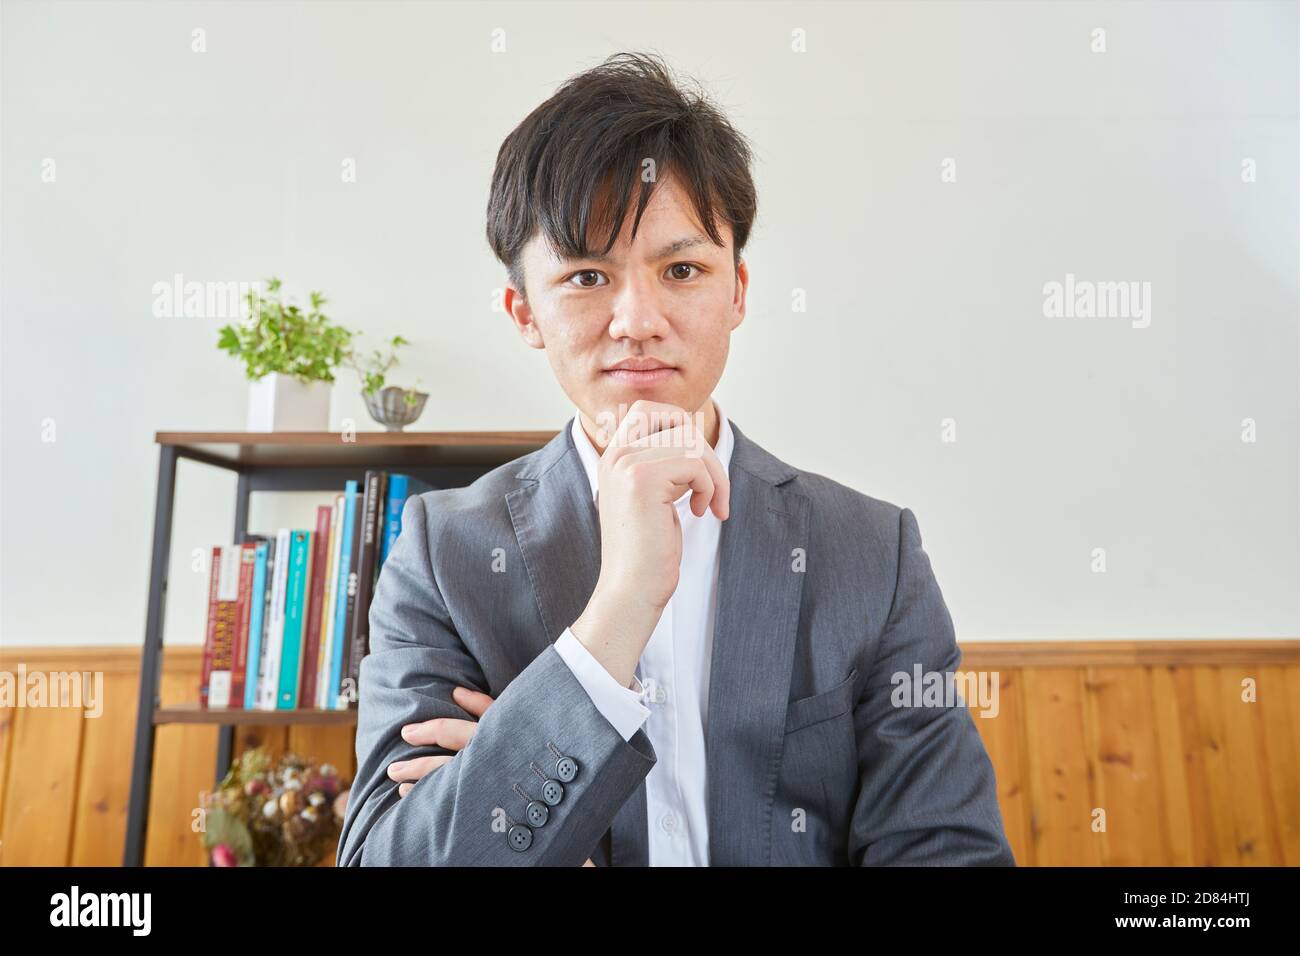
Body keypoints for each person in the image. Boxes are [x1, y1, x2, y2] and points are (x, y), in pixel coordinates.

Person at [337, 51, 1014, 866]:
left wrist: (503, 777)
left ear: (737, 292)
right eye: (588, 275)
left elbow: (948, 856)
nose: (637, 319)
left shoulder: (873, 553)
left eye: (682, 269)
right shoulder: (442, 554)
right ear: (525, 313)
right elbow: (389, 859)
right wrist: (615, 614)